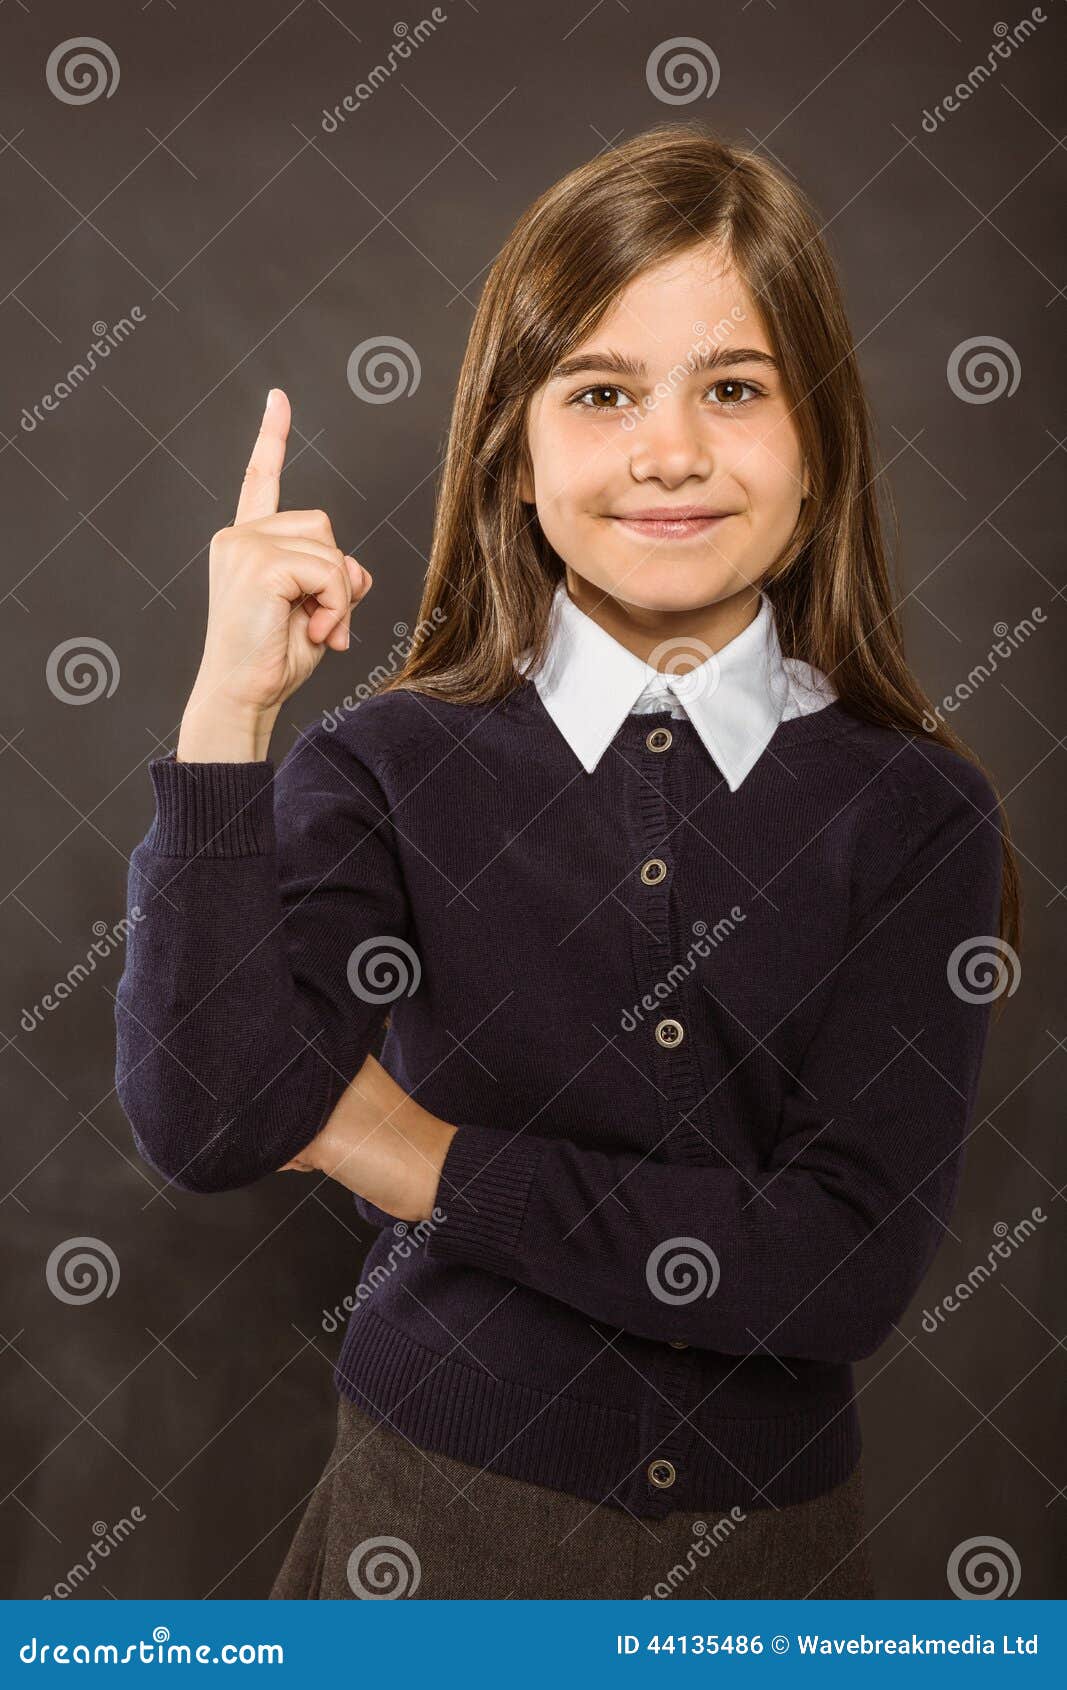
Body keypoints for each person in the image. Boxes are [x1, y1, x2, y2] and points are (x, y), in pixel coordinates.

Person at [114, 122, 1021, 1601]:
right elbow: (209, 1117)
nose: (670, 450)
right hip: (434, 1532)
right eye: (601, 393)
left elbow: (835, 1270)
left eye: (733, 390)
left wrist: (417, 1157)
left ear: (819, 449)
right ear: (514, 455)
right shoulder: (391, 764)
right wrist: (232, 713)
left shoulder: (913, 810)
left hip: (771, 1575)